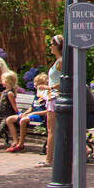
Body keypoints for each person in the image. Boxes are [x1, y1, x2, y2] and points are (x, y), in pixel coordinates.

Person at [9, 73, 50, 152]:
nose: (36, 88)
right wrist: (25, 113)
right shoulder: (37, 95)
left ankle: (21, 144)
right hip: (31, 114)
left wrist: (33, 114)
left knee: (23, 120)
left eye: (38, 86)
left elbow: (48, 111)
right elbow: (32, 107)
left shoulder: (47, 96)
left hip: (40, 116)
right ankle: (15, 141)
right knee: (10, 119)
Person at [41, 36, 63, 167]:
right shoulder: (59, 61)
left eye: (51, 44)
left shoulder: (61, 61)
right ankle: (85, 150)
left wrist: (49, 87)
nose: (50, 47)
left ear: (58, 46)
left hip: (55, 98)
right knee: (61, 128)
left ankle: (49, 159)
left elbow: (65, 80)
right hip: (53, 97)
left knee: (51, 130)